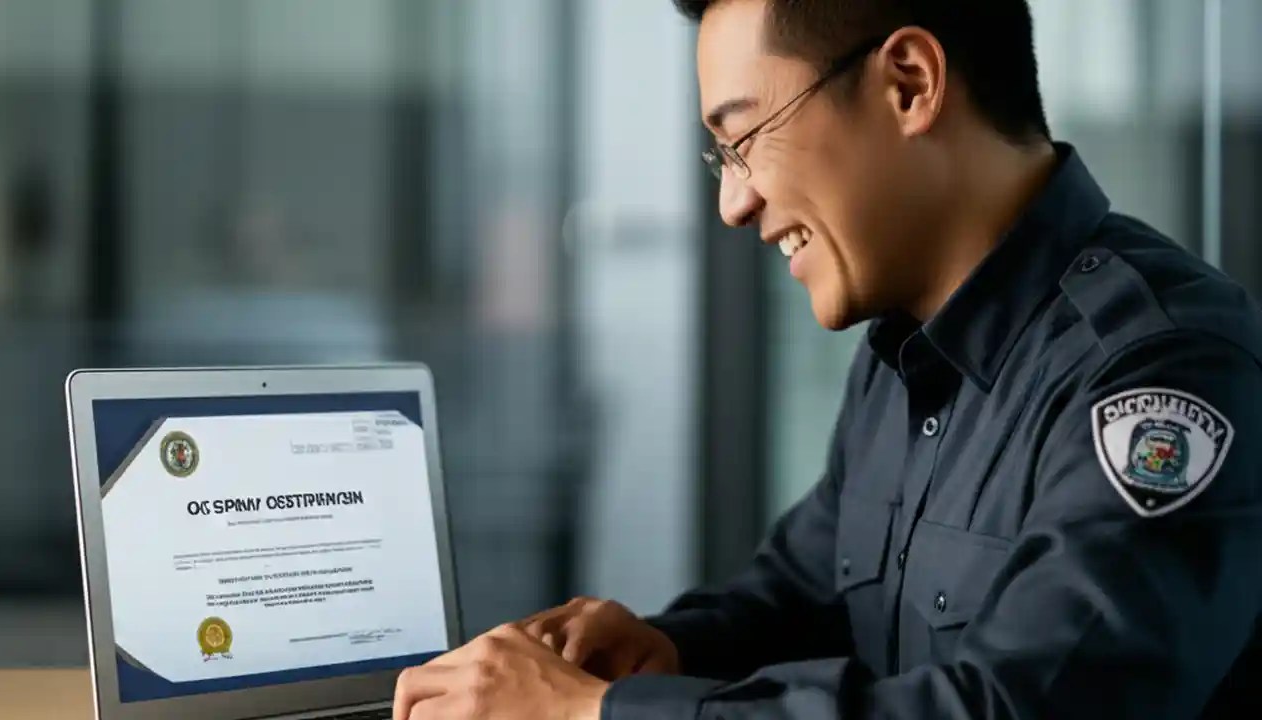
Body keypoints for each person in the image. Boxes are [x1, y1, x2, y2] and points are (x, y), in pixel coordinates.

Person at [393, 0, 1262, 717]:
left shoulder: (1160, 370)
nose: (733, 202)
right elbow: (802, 596)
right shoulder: (904, 352)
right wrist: (666, 648)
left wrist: (591, 714)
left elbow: (1018, 706)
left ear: (909, 84)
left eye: (744, 139)